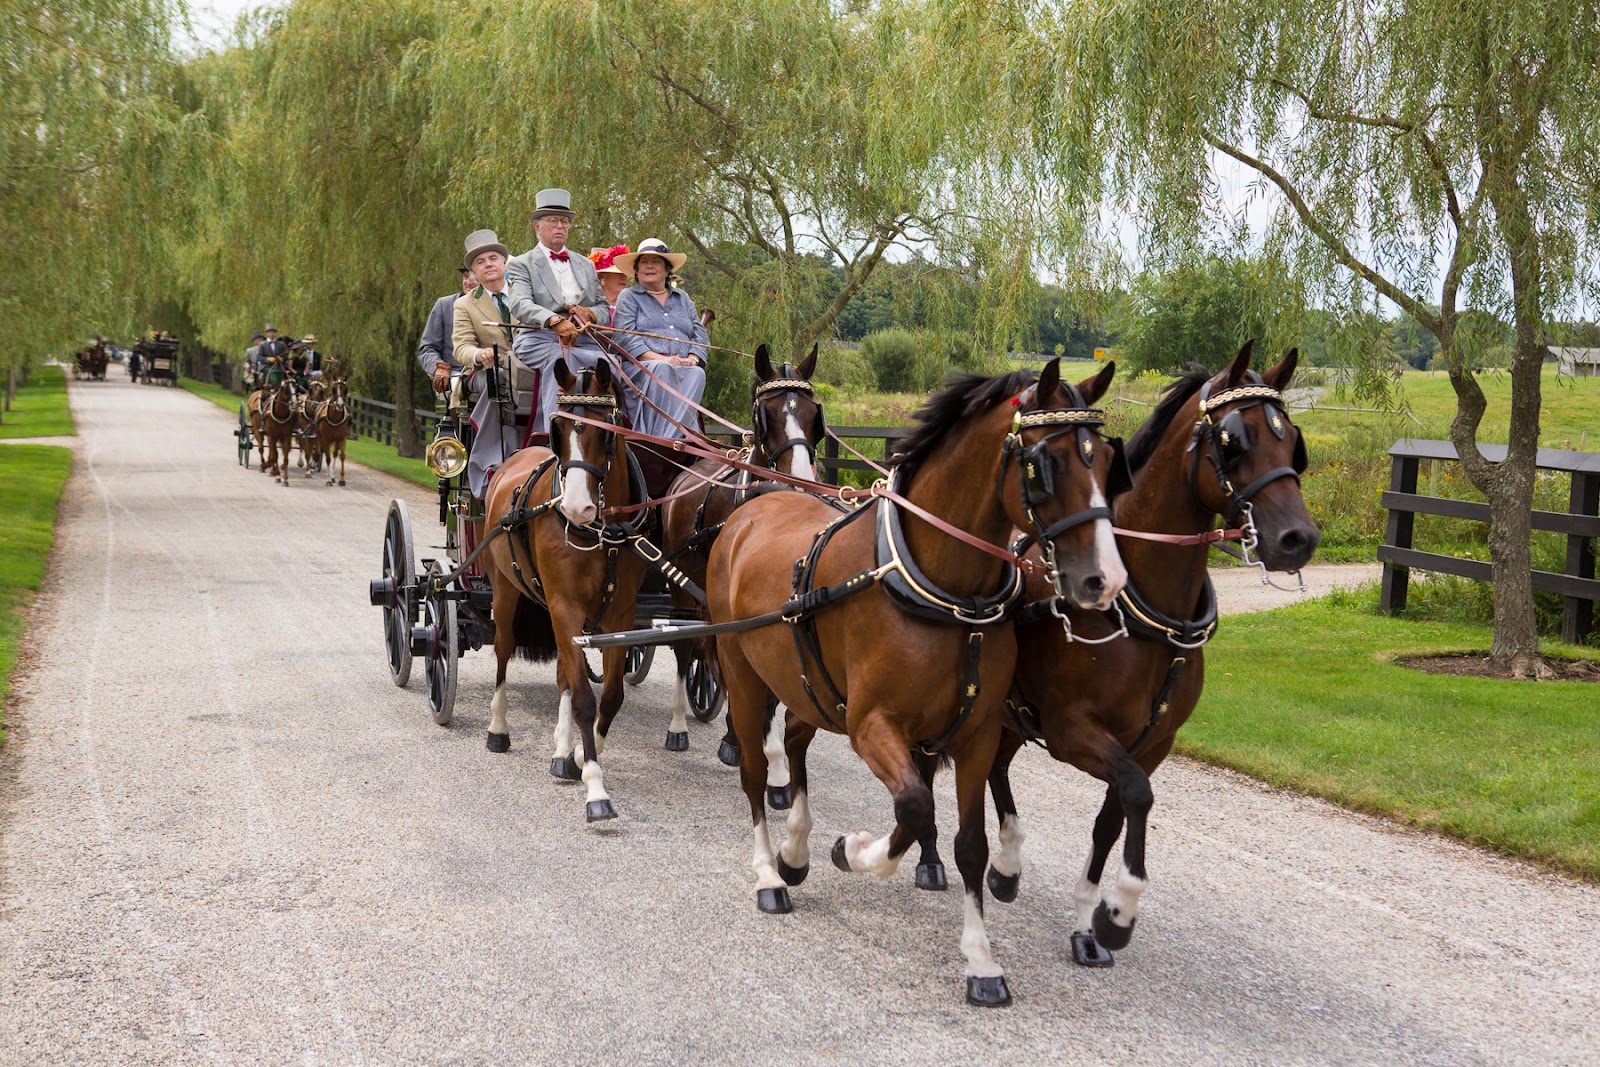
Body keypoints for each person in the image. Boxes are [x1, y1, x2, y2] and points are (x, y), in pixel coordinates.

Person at [504, 189, 616, 432]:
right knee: (562, 361)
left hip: (585, 340)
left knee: (616, 367)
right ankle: (554, 436)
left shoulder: (585, 264)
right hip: (539, 338)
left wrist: (590, 314)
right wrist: (553, 320)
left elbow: (603, 308)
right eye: (553, 221)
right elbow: (520, 304)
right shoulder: (522, 264)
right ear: (537, 226)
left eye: (564, 222)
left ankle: (621, 437)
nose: (560, 226)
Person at [452, 229, 530, 498]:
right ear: (474, 272)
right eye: (480, 262)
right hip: (485, 373)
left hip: (527, 370)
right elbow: (461, 347)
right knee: (496, 380)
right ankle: (488, 463)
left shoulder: (525, 295)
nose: (488, 264)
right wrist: (478, 354)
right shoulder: (465, 305)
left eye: (493, 258)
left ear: (504, 262)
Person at [612, 238, 709, 440]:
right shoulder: (628, 296)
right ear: (636, 270)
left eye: (656, 262)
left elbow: (699, 333)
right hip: (642, 367)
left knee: (697, 373)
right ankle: (658, 439)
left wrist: (693, 357)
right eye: (644, 262)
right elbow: (625, 336)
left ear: (667, 270)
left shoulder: (683, 298)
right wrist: (661, 358)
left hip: (682, 365)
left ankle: (674, 438)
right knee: (663, 368)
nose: (649, 266)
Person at [420, 266, 476, 394]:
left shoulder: (497, 305)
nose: (468, 282)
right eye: (465, 277)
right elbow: (427, 348)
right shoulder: (444, 305)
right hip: (454, 376)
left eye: (474, 277)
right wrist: (437, 366)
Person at [589, 245, 631, 325]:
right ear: (601, 277)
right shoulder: (589, 306)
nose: (624, 277)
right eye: (618, 273)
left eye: (625, 272)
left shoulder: (631, 305)